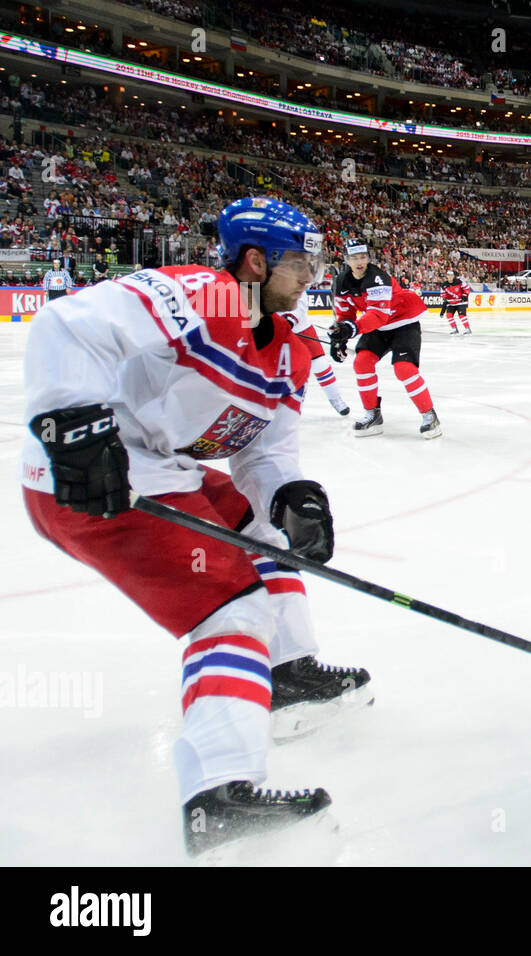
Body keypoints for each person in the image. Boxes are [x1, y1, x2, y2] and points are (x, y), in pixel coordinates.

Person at [21, 197, 373, 855]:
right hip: (91, 480)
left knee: (265, 536)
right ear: (253, 260)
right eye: (300, 261)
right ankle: (217, 792)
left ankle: (288, 670)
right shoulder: (206, 296)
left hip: (161, 468)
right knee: (231, 613)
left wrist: (290, 496)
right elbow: (68, 326)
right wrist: (70, 423)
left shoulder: (291, 346)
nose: (312, 275)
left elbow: (263, 455)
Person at [328, 241, 441, 438]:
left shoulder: (378, 278)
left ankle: (429, 415)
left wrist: (351, 329)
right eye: (354, 258)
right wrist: (340, 338)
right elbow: (346, 315)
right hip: (378, 327)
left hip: (403, 322)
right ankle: (372, 414)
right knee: (362, 362)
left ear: (368, 258)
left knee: (404, 369)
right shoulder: (341, 282)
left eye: (363, 257)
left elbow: (377, 315)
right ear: (347, 260)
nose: (359, 262)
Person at [286, 291, 351, 416]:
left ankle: (335, 398)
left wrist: (290, 319)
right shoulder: (254, 278)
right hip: (272, 328)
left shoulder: (291, 274)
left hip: (301, 327)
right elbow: (252, 297)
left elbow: (301, 298)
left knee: (320, 364)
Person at [439, 268, 471, 335]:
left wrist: (464, 295)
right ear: (446, 276)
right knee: (449, 315)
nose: (450, 277)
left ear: (453, 276)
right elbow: (443, 294)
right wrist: (445, 299)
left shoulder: (459, 282)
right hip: (451, 303)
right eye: (448, 275)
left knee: (462, 315)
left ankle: (467, 329)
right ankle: (454, 329)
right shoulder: (443, 285)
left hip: (461, 302)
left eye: (451, 275)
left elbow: (467, 288)